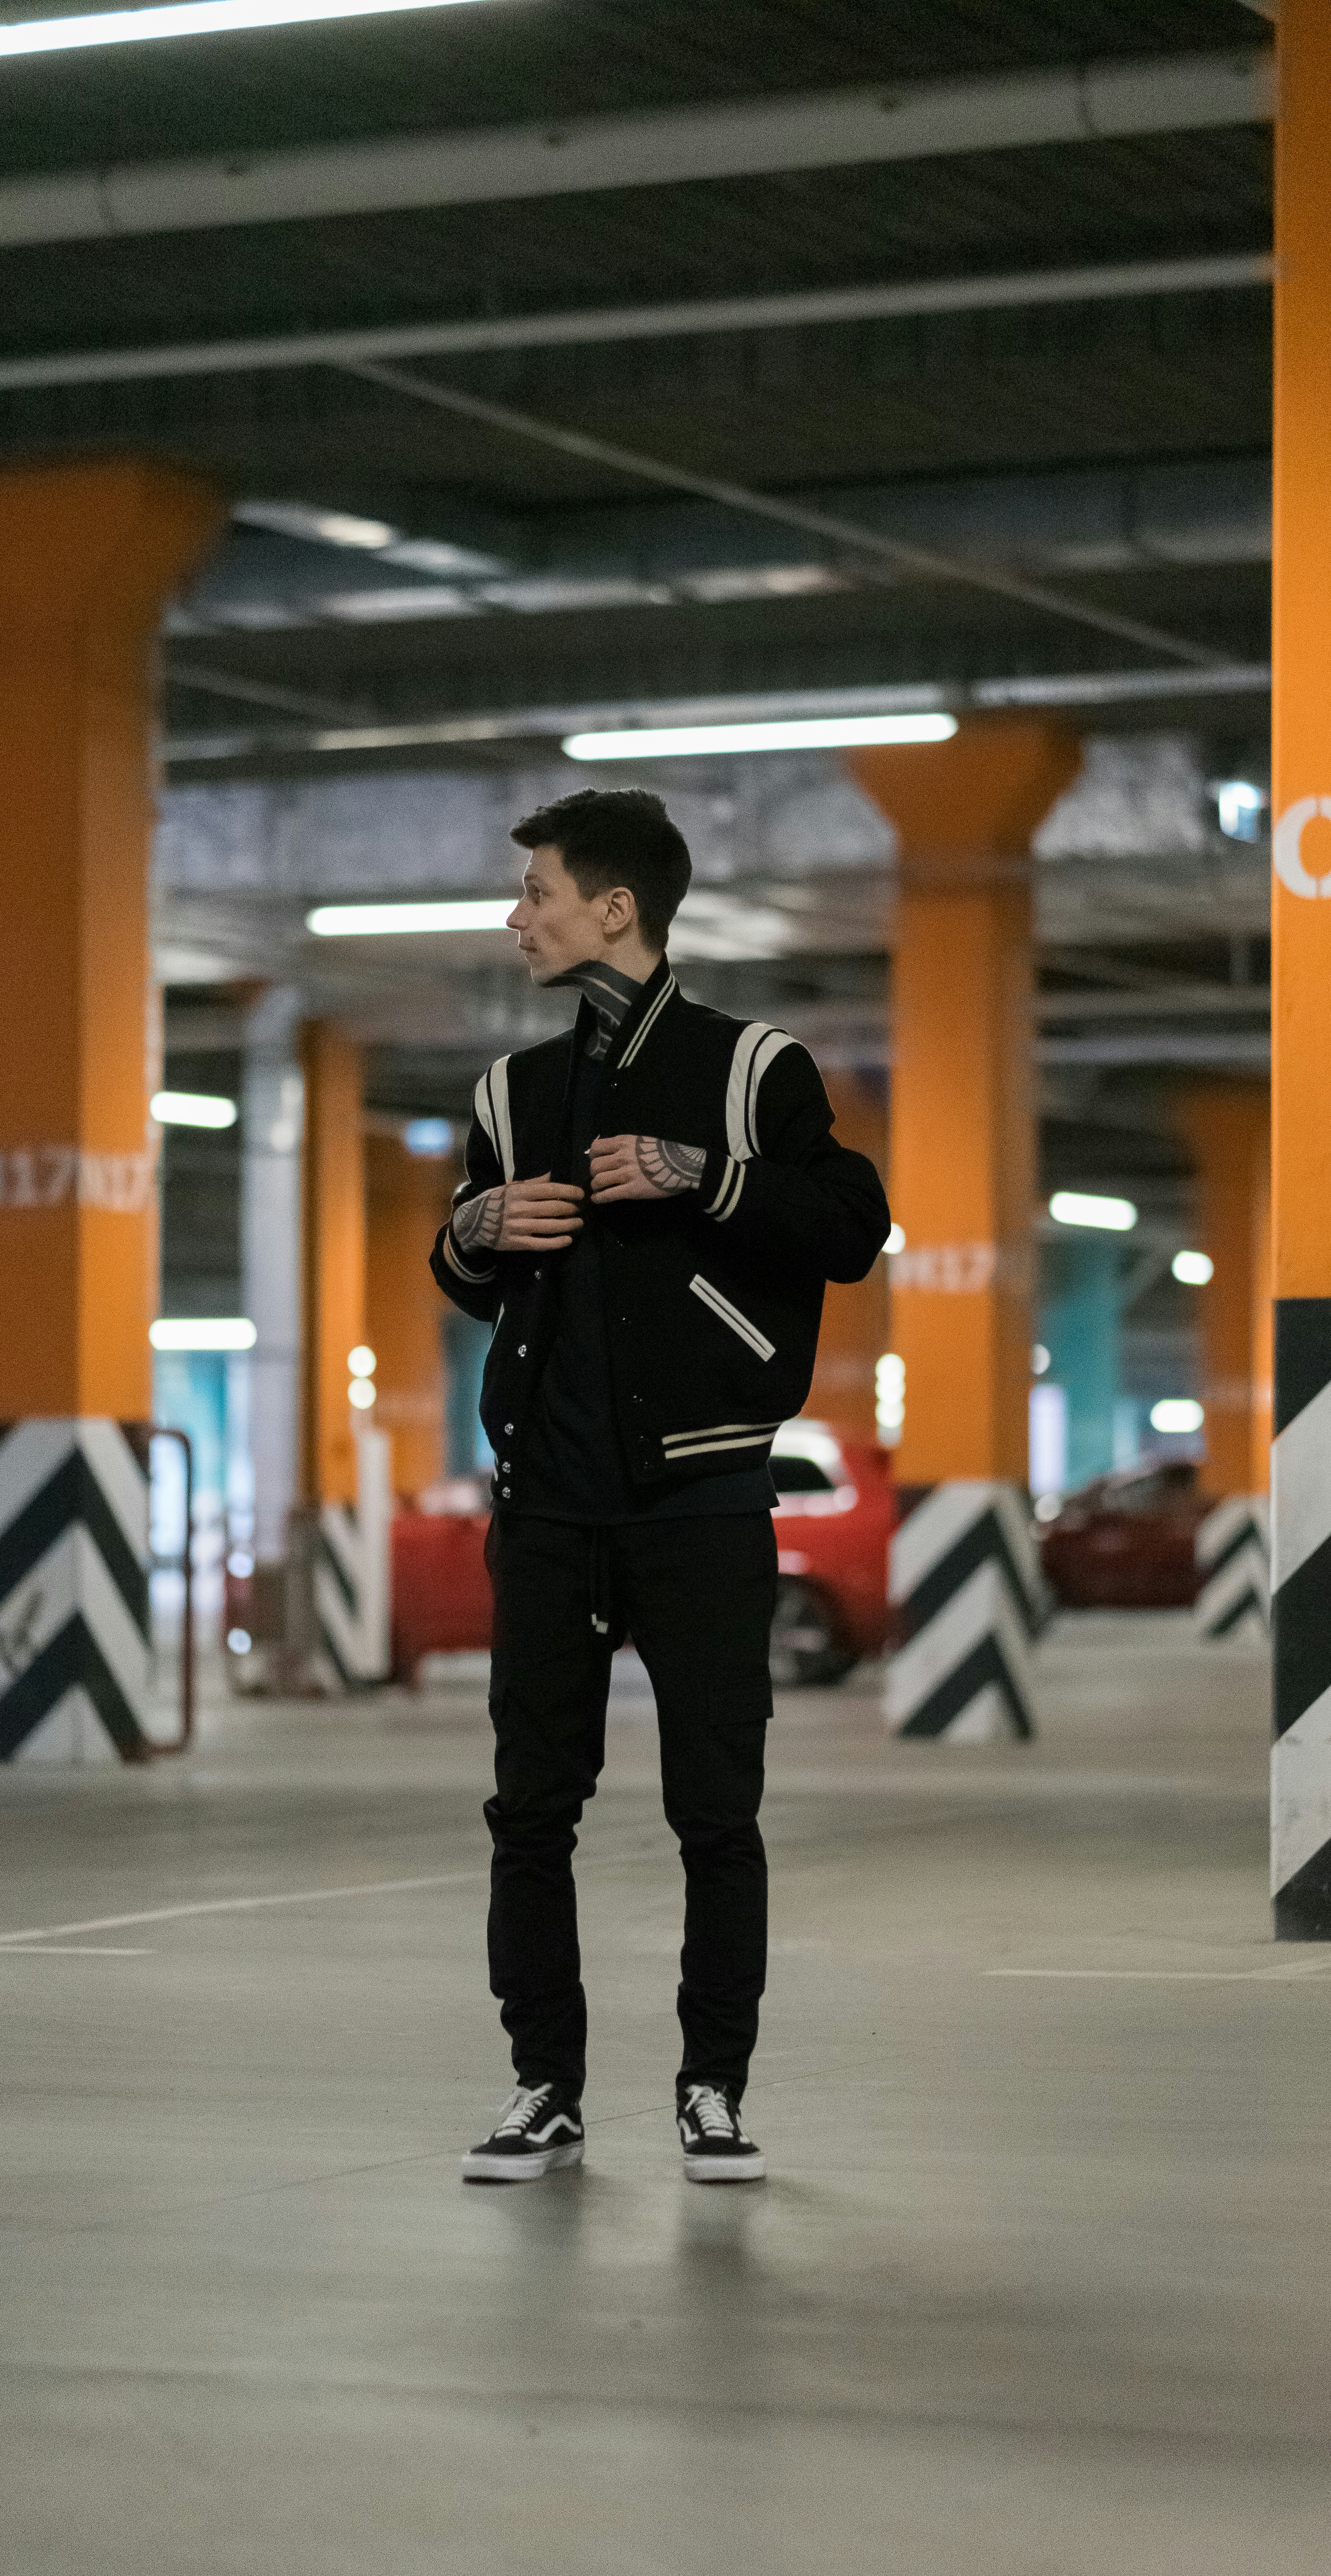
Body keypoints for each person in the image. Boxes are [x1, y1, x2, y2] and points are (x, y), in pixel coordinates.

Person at [431, 785, 890, 2187]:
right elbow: (462, 1277)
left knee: (717, 1811)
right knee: (530, 1811)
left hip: (701, 1502)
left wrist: (704, 1174)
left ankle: (712, 2087)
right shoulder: (512, 1094)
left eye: (538, 893)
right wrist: (476, 1227)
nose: (520, 919)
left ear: (613, 908)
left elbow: (851, 1226)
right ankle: (543, 2084)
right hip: (550, 1505)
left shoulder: (755, 1069)